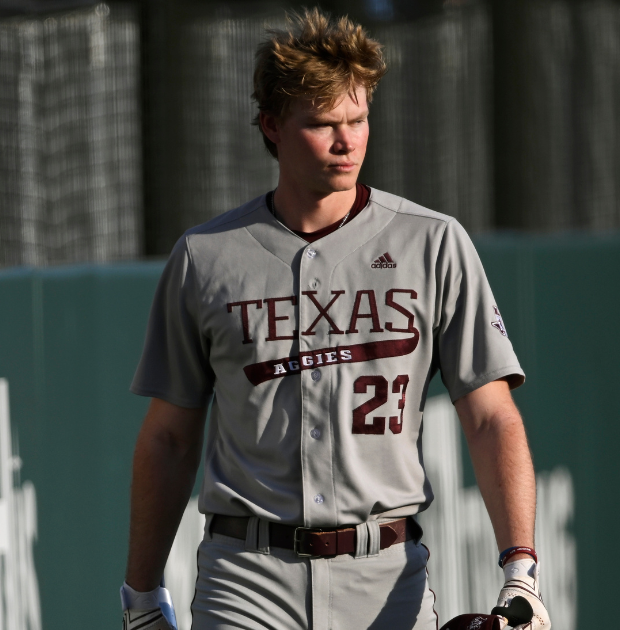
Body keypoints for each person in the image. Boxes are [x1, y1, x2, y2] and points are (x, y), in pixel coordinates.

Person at [121, 9, 550, 630]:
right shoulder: (206, 256)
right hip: (247, 578)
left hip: (384, 579)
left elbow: (490, 415)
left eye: (358, 119)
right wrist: (141, 595)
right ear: (272, 127)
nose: (347, 141)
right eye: (323, 125)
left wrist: (521, 568)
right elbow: (167, 437)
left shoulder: (432, 243)